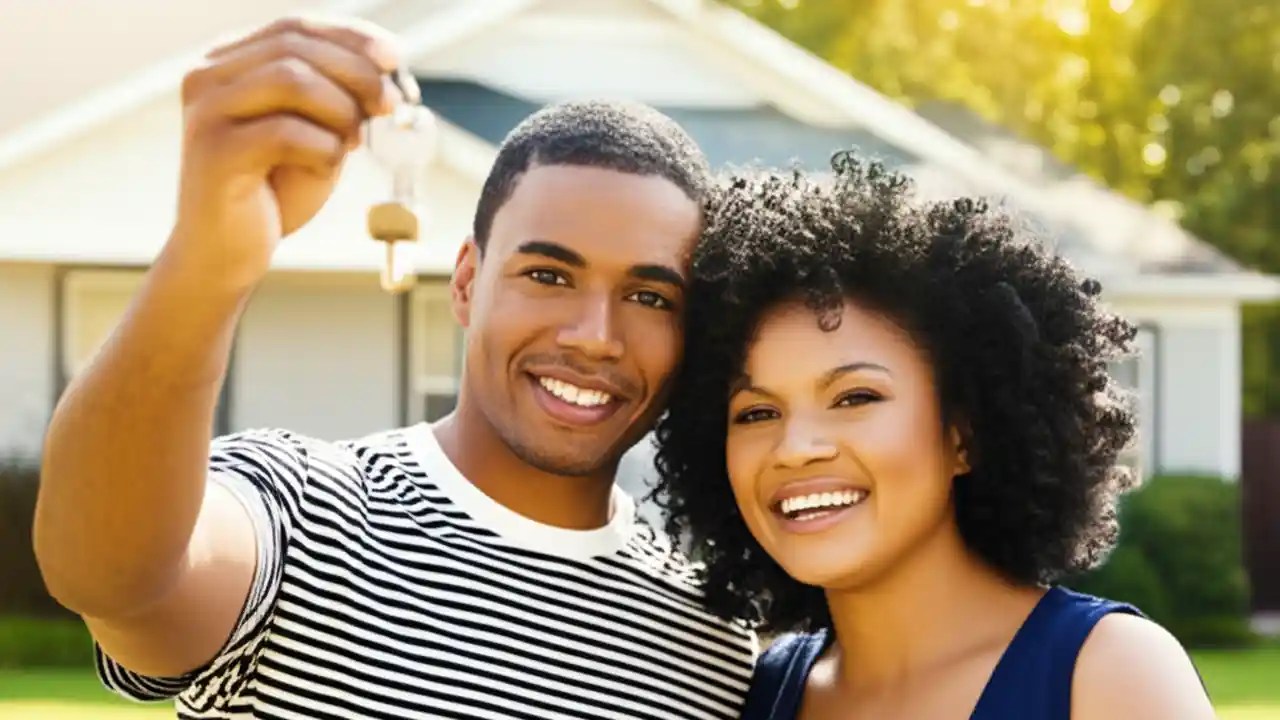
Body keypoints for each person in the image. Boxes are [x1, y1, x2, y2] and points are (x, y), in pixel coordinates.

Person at [33, 16, 755, 719]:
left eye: (648, 295)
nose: (597, 337)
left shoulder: (718, 644)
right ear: (467, 282)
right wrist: (209, 257)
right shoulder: (303, 512)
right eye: (549, 276)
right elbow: (113, 579)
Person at [653, 152, 1216, 719]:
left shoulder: (1107, 672)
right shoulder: (758, 692)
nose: (795, 447)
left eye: (855, 398)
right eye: (755, 413)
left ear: (964, 435)